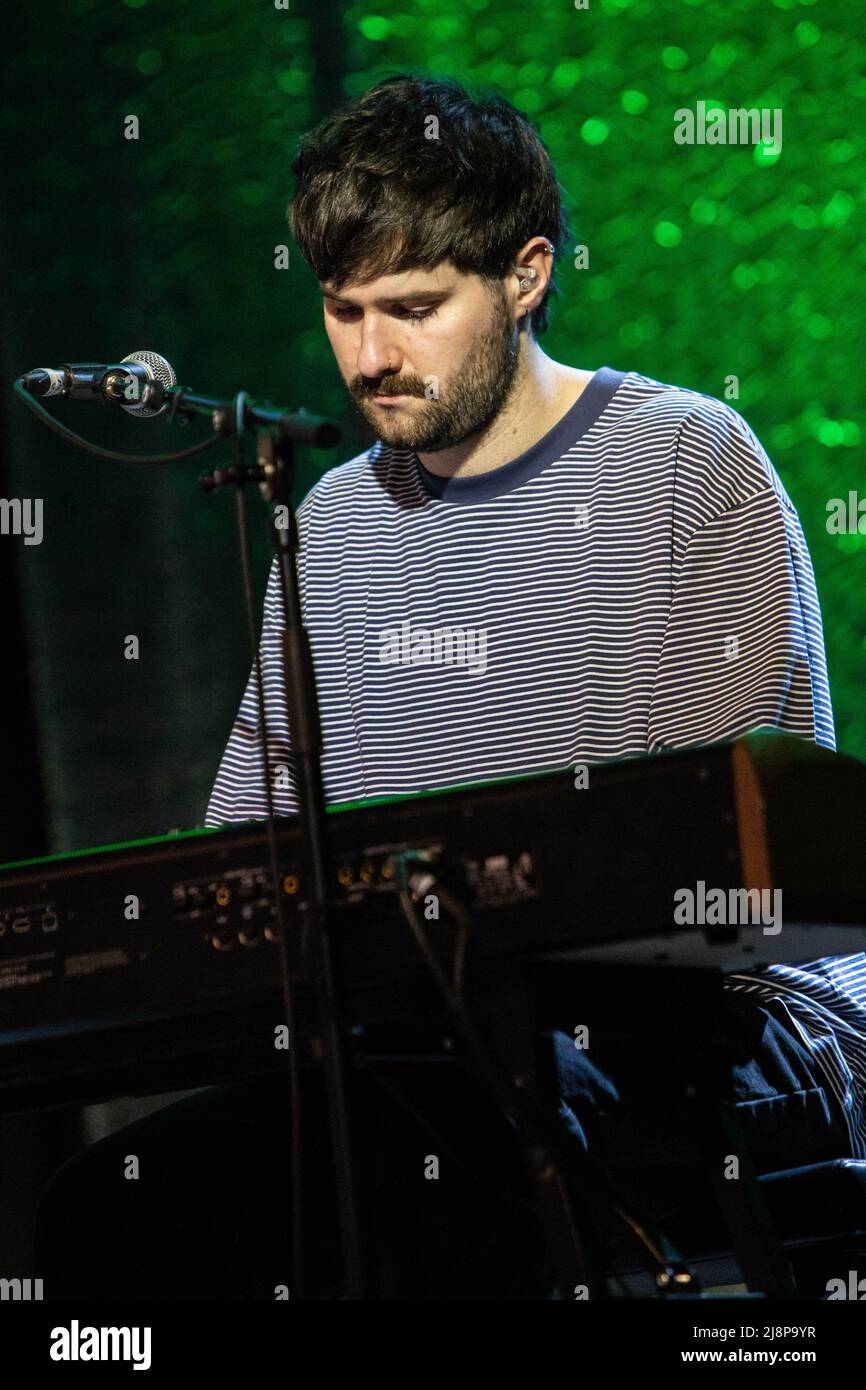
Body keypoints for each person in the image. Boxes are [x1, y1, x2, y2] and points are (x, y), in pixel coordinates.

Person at [34, 73, 866, 1300]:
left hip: (734, 1041)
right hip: (431, 1059)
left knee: (435, 1161)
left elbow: (717, 868)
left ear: (524, 276)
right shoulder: (328, 520)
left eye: (414, 308)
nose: (371, 357)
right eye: (342, 309)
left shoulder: (685, 459)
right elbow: (241, 867)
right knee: (112, 1212)